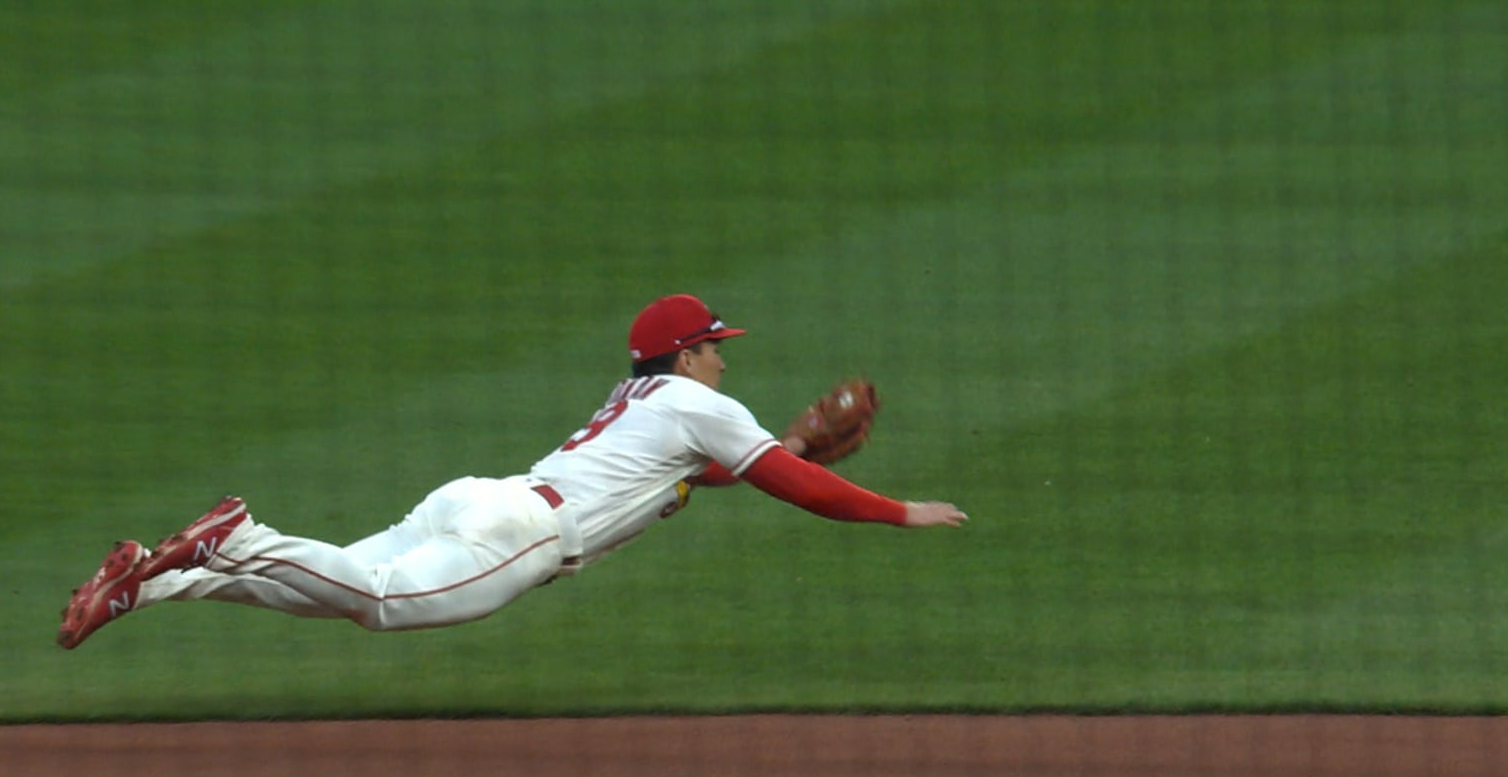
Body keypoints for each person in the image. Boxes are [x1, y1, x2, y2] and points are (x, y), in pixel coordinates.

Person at [57, 294, 967, 649]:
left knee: (331, 590)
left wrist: (796, 440)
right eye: (715, 347)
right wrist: (898, 513)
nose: (724, 360)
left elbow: (704, 476)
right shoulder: (702, 407)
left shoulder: (646, 402)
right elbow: (794, 489)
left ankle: (152, 577)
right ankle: (240, 533)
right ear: (686, 355)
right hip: (521, 533)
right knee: (378, 601)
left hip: (475, 501)